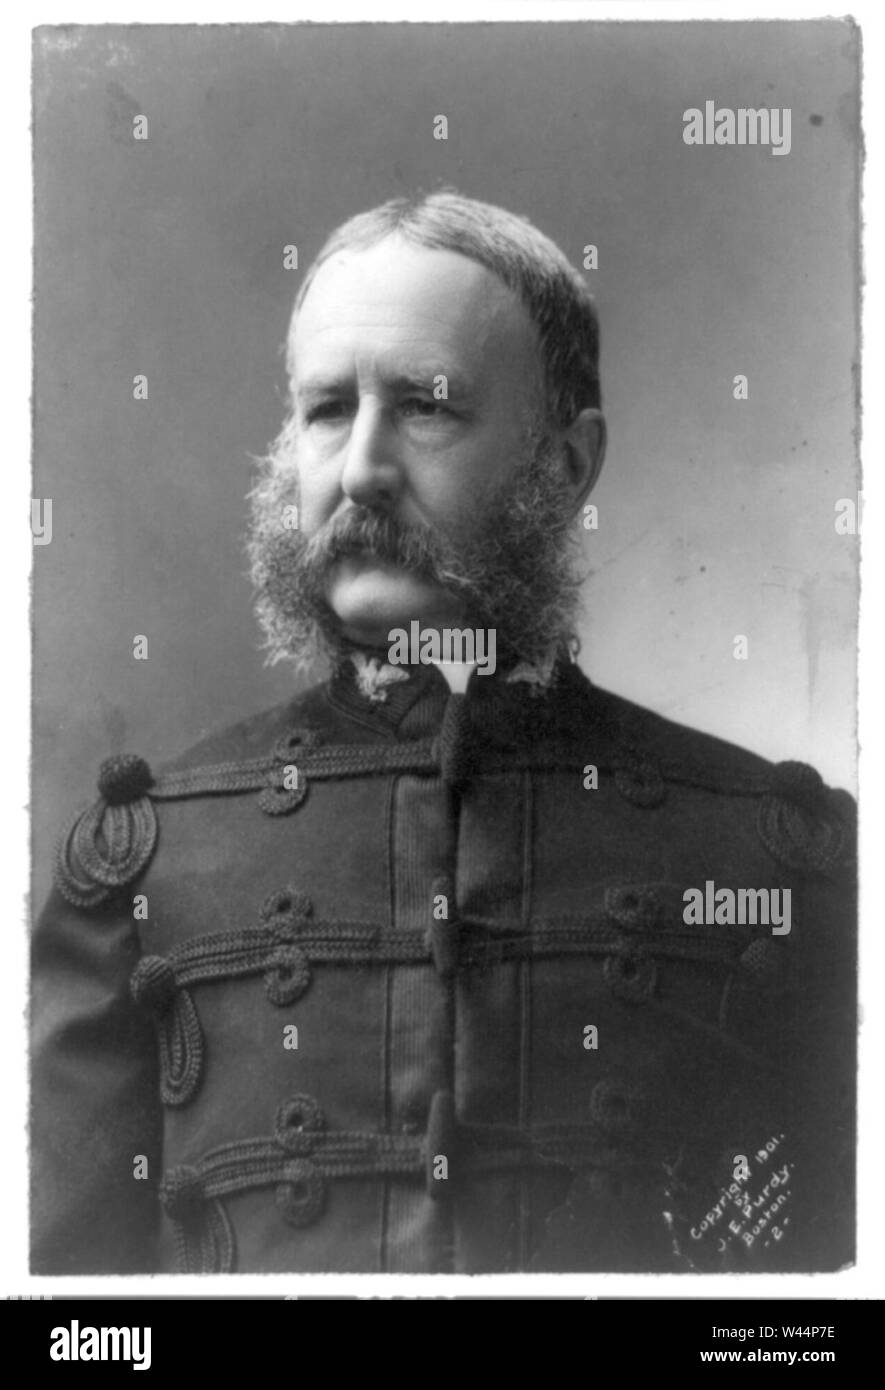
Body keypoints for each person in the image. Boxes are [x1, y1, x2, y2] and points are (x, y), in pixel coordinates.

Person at [31, 190, 856, 1275]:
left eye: (426, 406)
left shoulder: (778, 858)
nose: (363, 468)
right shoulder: (143, 855)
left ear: (566, 467)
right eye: (327, 408)